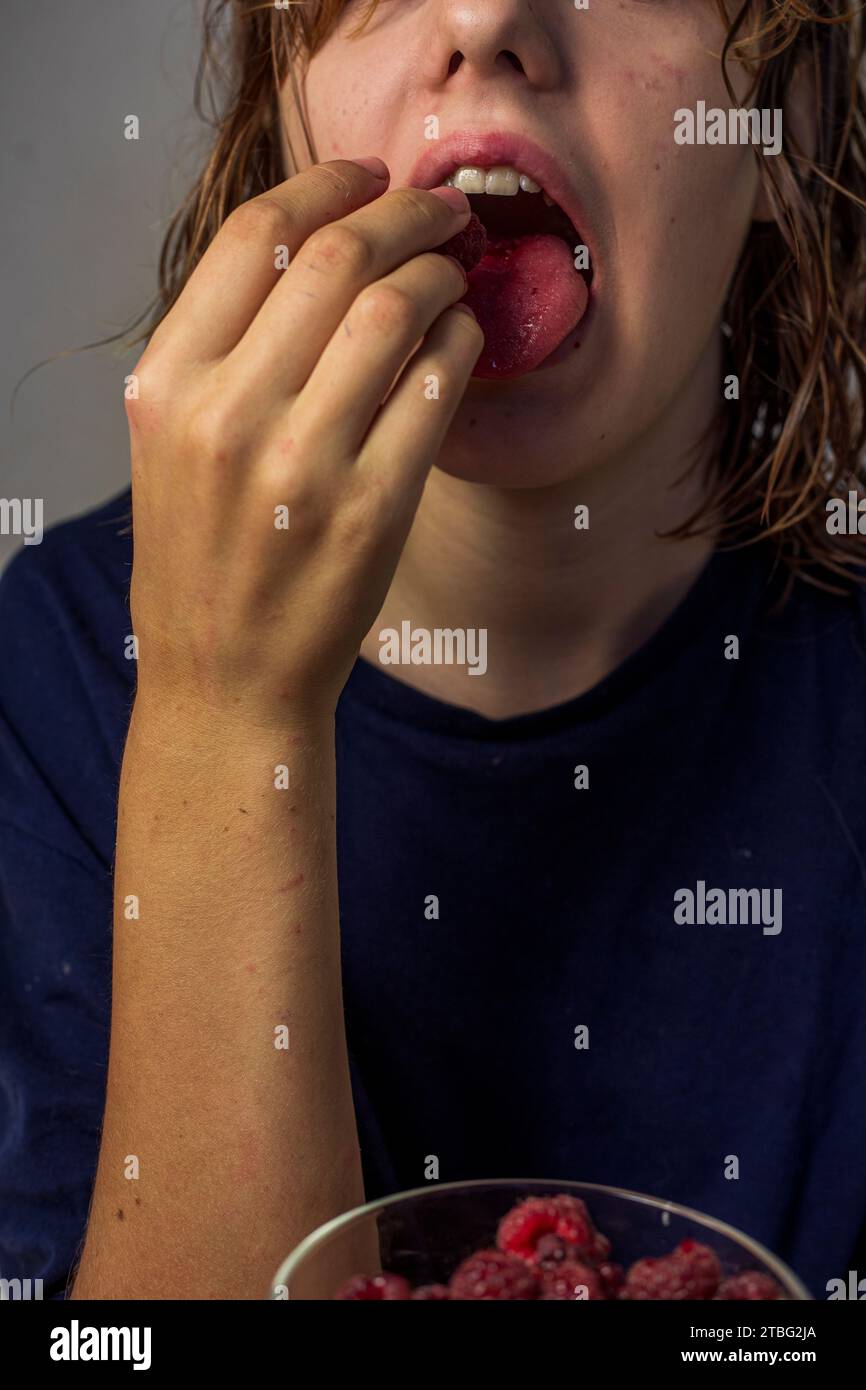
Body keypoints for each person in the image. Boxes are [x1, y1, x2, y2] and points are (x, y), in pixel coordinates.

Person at [0, 0, 864, 1300]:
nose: (485, 17)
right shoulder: (39, 690)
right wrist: (226, 717)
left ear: (782, 132)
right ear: (280, 100)